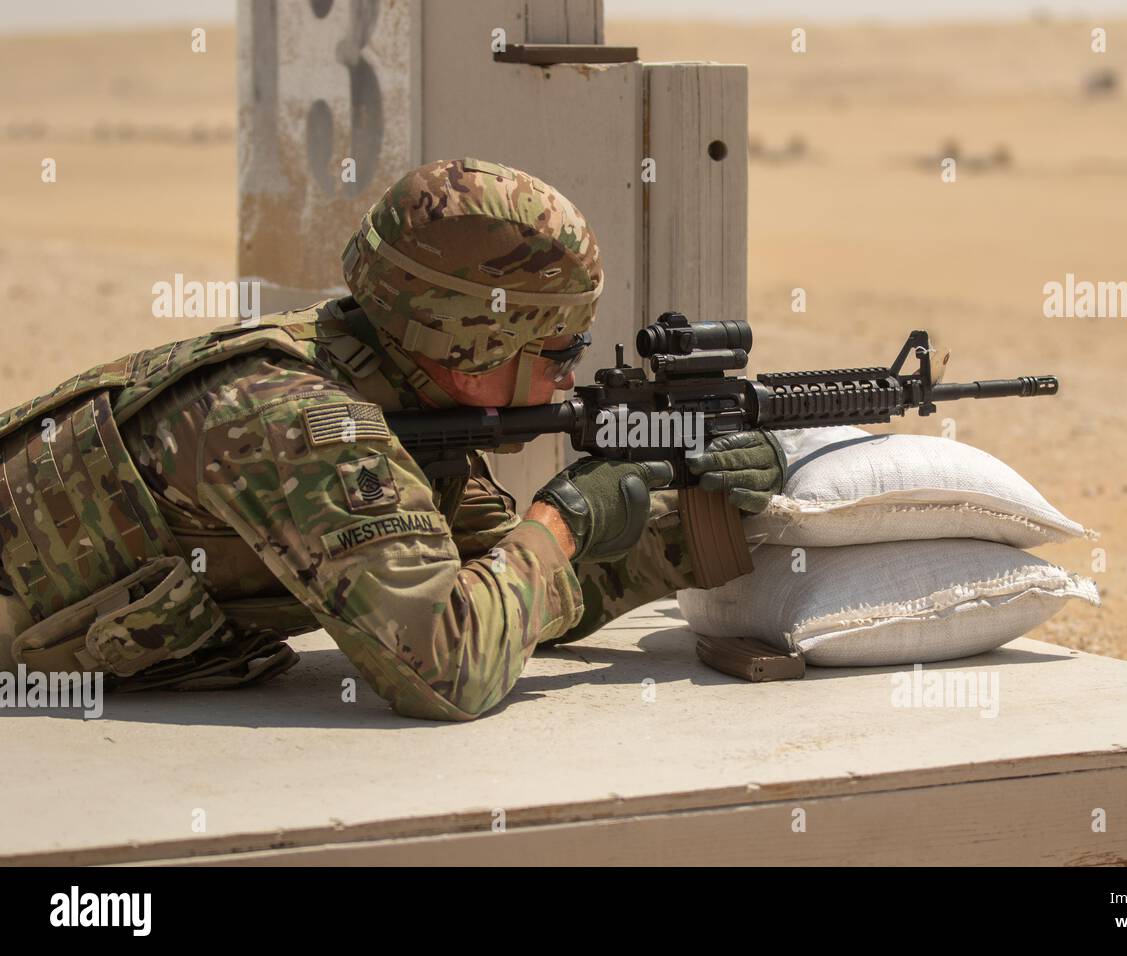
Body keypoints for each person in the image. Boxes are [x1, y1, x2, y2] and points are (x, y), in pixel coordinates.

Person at [0, 158, 785, 720]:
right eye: (560, 351)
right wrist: (565, 518)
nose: (569, 379)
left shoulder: (392, 380)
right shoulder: (307, 422)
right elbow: (450, 668)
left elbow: (508, 596)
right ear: (473, 343)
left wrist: (690, 518)